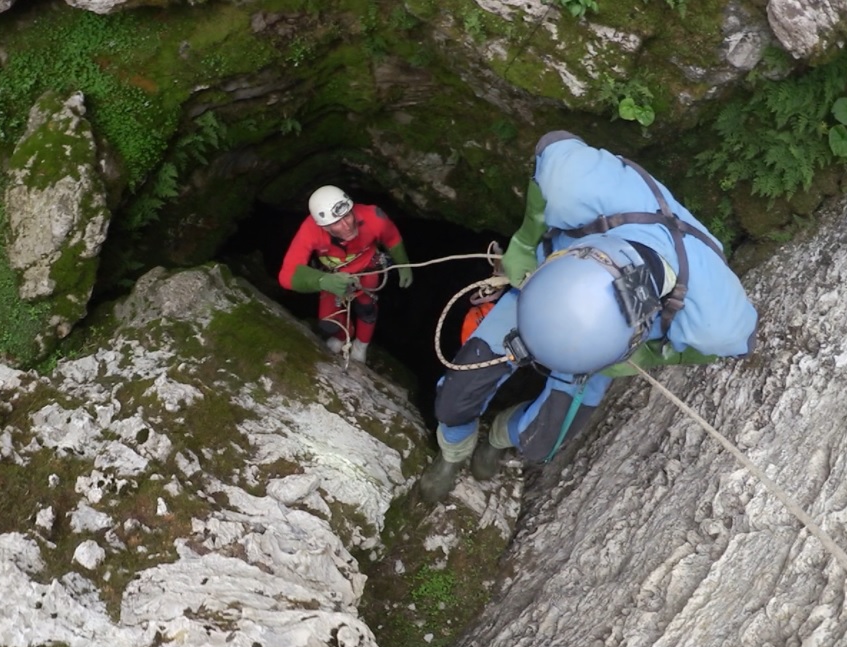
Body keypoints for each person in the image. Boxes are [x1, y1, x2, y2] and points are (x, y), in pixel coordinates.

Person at [419, 130, 758, 500]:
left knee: (540, 444)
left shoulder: (715, 320)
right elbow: (551, 154)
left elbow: (727, 347)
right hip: (546, 293)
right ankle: (454, 451)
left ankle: (499, 436)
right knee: (455, 398)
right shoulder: (573, 184)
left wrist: (653, 355)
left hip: (598, 345)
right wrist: (525, 241)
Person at [278, 185, 413, 364]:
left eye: (347, 216)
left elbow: (392, 238)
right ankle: (344, 335)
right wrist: (323, 281)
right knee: (328, 322)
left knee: (367, 310)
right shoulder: (310, 230)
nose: (347, 225)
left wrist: (404, 264)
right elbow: (287, 275)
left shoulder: (373, 217)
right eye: (336, 223)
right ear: (324, 227)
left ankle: (361, 346)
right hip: (333, 276)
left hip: (367, 269)